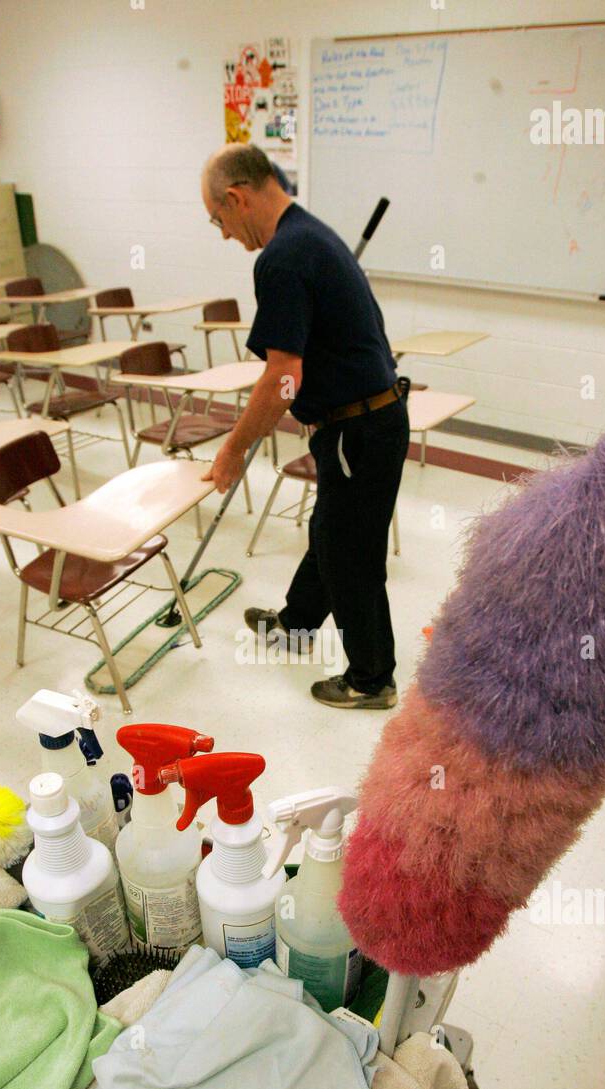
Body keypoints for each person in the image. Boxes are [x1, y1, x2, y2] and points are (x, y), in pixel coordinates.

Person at [201, 143, 409, 710]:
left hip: (358, 429)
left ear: (236, 198)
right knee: (333, 531)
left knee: (351, 555)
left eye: (218, 219)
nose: (223, 233)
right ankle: (295, 625)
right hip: (367, 420)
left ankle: (371, 679)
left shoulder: (282, 257)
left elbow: (282, 377)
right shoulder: (308, 233)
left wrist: (233, 450)